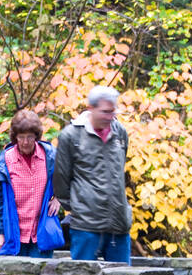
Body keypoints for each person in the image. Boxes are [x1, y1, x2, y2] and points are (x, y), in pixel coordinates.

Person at [52, 84, 132, 264]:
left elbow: (119, 173)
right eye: (105, 112)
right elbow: (61, 179)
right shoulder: (70, 136)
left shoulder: (120, 132)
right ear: (91, 108)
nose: (110, 117)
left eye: (113, 112)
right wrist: (77, 208)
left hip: (118, 224)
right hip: (85, 226)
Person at [0, 110, 63, 257]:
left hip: (42, 234)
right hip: (12, 234)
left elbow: (68, 176)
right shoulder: (4, 162)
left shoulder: (51, 156)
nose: (25, 142)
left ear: (36, 136)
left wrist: (59, 197)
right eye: (21, 137)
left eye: (30, 137)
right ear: (15, 137)